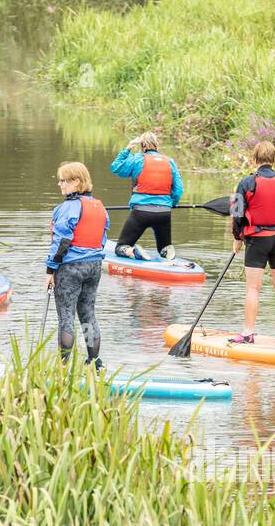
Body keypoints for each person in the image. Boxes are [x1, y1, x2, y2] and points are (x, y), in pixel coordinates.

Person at [229, 140, 275, 345]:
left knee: (253, 288)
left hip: (257, 240)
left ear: (254, 158)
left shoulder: (245, 182)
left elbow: (236, 213)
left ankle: (248, 333)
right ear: (274, 159)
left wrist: (237, 238)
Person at [46, 161, 109, 369]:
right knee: (88, 313)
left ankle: (62, 367)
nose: (60, 184)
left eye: (64, 180)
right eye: (60, 180)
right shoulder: (100, 206)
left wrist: (50, 270)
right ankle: (94, 362)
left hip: (70, 268)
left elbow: (62, 241)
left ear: (77, 181)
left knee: (66, 316)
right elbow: (102, 238)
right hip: (94, 267)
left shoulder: (67, 208)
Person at [109, 132, 183, 260]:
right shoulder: (170, 162)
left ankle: (133, 251)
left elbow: (116, 167)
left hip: (141, 213)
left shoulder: (137, 159)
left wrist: (127, 148)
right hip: (164, 213)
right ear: (157, 145)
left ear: (142, 146)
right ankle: (167, 250)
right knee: (163, 248)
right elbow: (178, 190)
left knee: (121, 247)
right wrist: (172, 203)